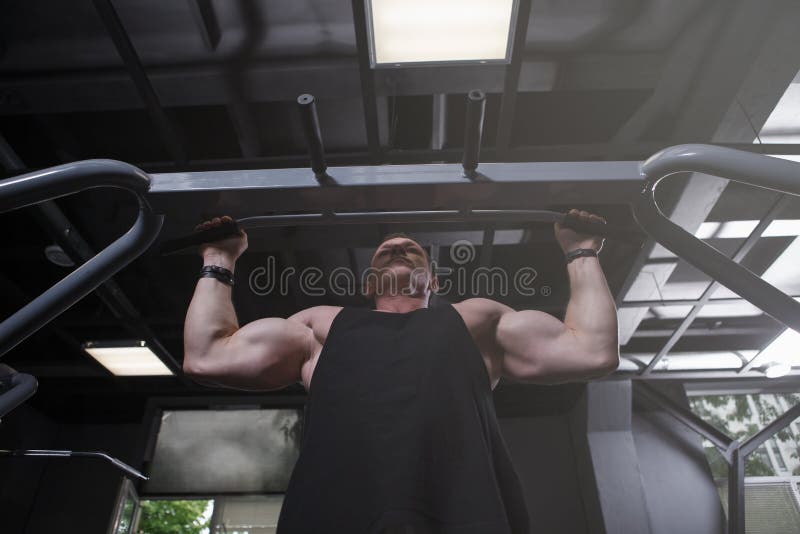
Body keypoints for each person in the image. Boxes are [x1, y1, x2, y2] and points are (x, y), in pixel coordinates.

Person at [183, 210, 619, 533]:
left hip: (462, 514)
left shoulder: (475, 321)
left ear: (433, 281)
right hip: (336, 515)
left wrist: (580, 251)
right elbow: (207, 356)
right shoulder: (320, 326)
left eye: (411, 249)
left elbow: (591, 350)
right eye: (386, 250)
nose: (397, 248)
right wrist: (218, 258)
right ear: (369, 285)